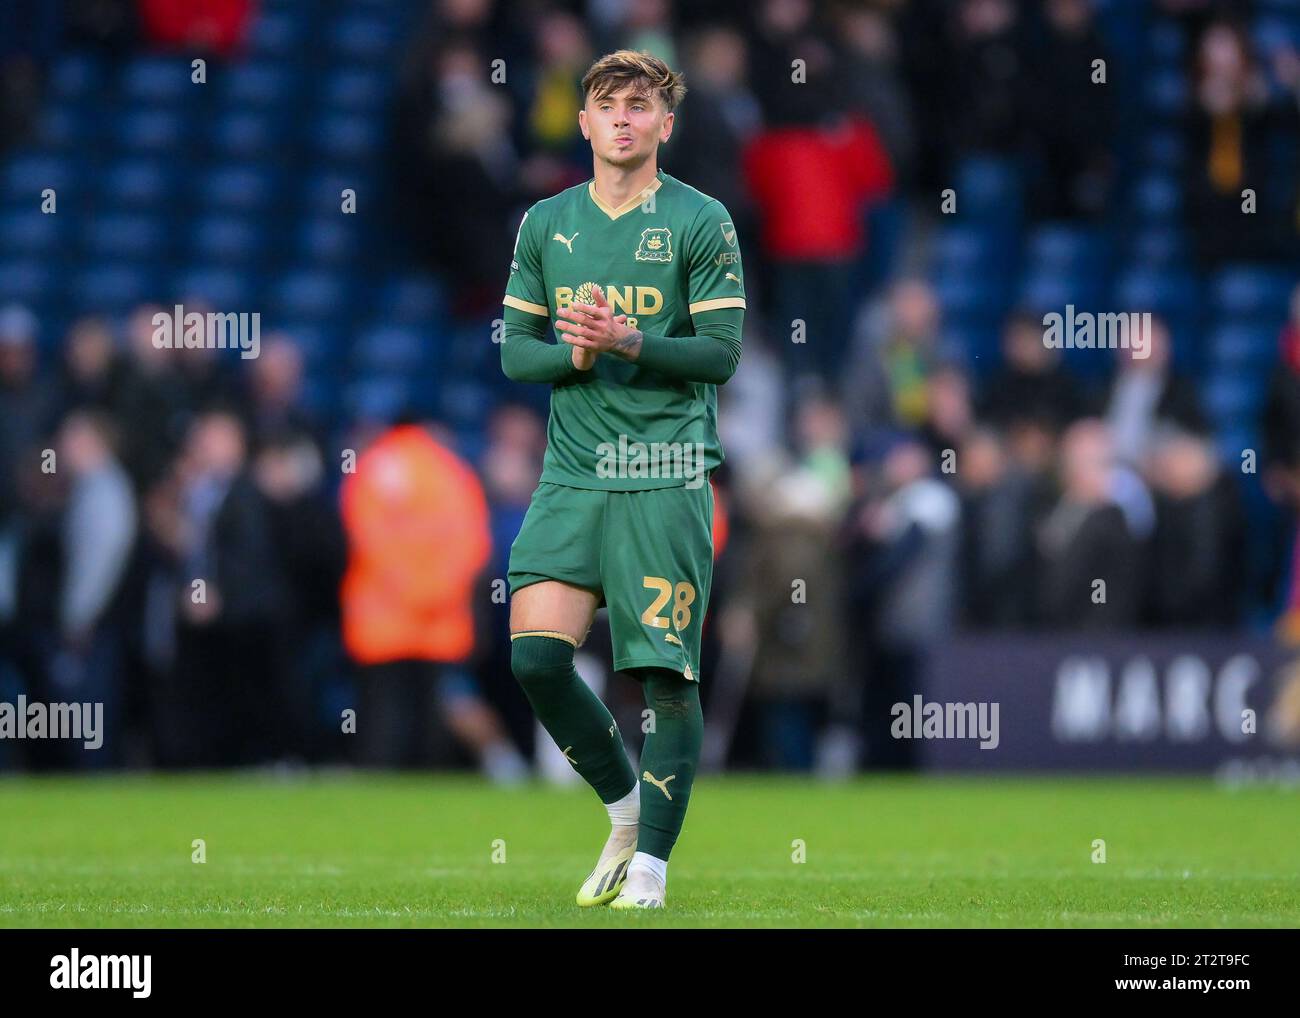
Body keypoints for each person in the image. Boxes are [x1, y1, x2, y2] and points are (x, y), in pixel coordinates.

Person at [499, 50, 744, 909]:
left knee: (666, 682)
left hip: (664, 472)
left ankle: (652, 870)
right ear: (584, 122)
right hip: (573, 473)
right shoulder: (546, 223)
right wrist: (577, 350)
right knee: (535, 658)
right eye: (608, 105)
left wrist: (629, 340)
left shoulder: (701, 220)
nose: (624, 119)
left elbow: (721, 354)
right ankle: (625, 806)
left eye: (640, 105)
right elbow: (513, 351)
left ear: (664, 125)